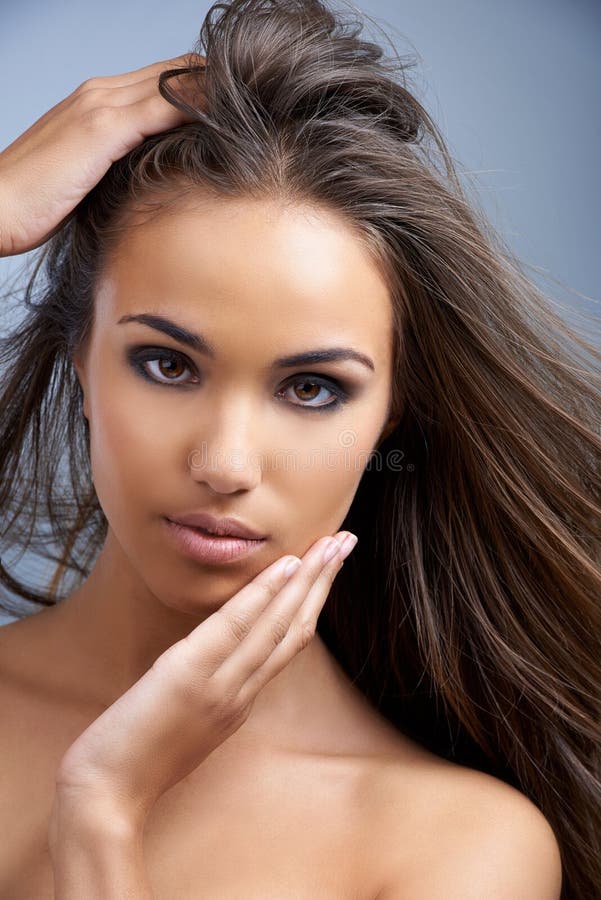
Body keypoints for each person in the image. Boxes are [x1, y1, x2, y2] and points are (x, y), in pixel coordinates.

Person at [0, 0, 598, 896]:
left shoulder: (454, 850)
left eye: (311, 388)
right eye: (165, 364)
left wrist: (103, 811)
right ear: (81, 356)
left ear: (393, 412)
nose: (226, 463)